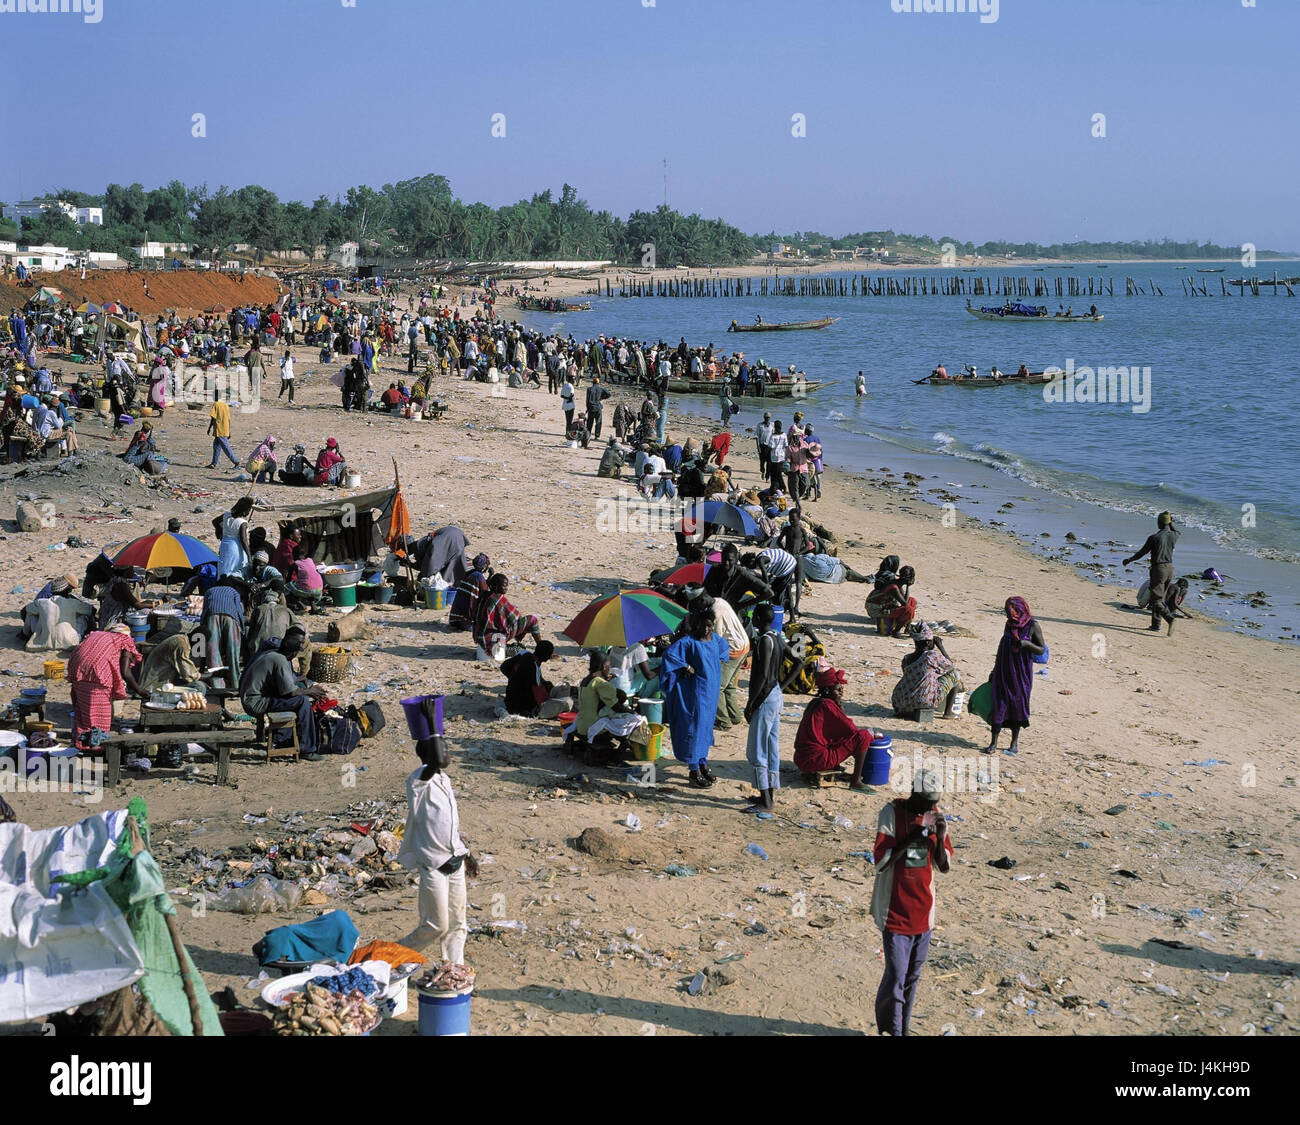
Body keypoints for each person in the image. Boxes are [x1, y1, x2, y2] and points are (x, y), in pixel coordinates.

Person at [871, 768, 952, 1037]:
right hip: (894, 910)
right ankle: (892, 1030)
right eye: (927, 802)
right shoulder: (891, 813)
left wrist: (938, 838)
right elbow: (881, 861)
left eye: (934, 803)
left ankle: (901, 1027)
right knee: (896, 975)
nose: (931, 807)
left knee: (911, 977)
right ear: (914, 794)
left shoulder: (934, 815)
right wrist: (912, 839)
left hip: (923, 912)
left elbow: (943, 865)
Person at [397, 735, 478, 961]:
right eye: (444, 751)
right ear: (431, 755)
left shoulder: (445, 779)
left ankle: (455, 969)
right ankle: (394, 955)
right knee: (436, 925)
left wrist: (467, 854)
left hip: (455, 860)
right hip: (433, 865)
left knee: (458, 924)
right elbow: (431, 764)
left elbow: (449, 827)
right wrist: (432, 724)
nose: (449, 755)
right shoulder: (418, 782)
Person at [659, 607, 729, 788]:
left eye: (709, 626)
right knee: (695, 729)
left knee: (706, 729)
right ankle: (693, 769)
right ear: (696, 624)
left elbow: (724, 650)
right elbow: (669, 655)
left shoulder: (715, 641)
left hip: (711, 693)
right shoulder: (689, 642)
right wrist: (686, 666)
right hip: (696, 693)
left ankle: (702, 762)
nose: (706, 629)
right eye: (703, 625)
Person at [239, 626, 326, 760]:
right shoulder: (279, 660)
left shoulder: (274, 654)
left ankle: (281, 738)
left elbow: (283, 682)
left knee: (298, 693)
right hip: (255, 702)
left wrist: (298, 681)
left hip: (253, 697)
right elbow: (289, 692)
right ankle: (307, 749)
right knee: (302, 702)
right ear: (293, 653)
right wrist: (310, 691)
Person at [794, 667, 877, 788]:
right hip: (815, 760)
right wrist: (872, 735)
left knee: (840, 738)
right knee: (864, 736)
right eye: (838, 690)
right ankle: (856, 781)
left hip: (801, 759)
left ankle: (833, 767)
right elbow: (853, 731)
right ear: (827, 690)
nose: (841, 693)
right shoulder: (828, 705)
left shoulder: (815, 702)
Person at [984, 596, 1045, 754]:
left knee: (1018, 706)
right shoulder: (1009, 624)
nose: (1007, 616)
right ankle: (993, 742)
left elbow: (1041, 649)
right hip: (1003, 670)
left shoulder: (1033, 625)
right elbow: (1001, 646)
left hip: (1021, 673)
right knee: (1000, 704)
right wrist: (994, 669)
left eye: (1009, 612)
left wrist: (1026, 644)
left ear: (1019, 610)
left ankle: (1014, 742)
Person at [744, 603, 788, 809]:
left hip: (765, 696)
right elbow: (797, 662)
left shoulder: (764, 641)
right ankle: (769, 795)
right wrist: (782, 685)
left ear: (760, 619)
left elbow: (761, 675)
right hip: (776, 694)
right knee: (771, 747)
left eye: (755, 616)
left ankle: (765, 800)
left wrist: (751, 702)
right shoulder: (778, 638)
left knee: (757, 749)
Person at [67, 624, 145, 740]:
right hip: (97, 674)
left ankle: (82, 737)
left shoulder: (97, 634)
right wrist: (140, 691)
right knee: (99, 713)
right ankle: (96, 742)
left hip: (77, 669)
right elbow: (125, 672)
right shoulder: (124, 640)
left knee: (84, 709)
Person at [571, 651, 649, 751]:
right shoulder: (601, 683)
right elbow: (616, 706)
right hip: (591, 727)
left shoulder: (586, 679)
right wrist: (633, 712)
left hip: (582, 724)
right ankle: (627, 746)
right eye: (609, 665)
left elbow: (595, 698)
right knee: (636, 719)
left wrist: (605, 681)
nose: (610, 668)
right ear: (604, 667)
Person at [1123, 511, 1180, 634]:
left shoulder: (1154, 538)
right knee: (1160, 597)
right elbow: (1176, 531)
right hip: (1170, 568)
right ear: (1169, 523)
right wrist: (1171, 522)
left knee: (1155, 600)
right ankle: (1155, 625)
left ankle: (1170, 619)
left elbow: (1141, 553)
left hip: (1158, 570)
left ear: (1159, 522)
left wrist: (1129, 559)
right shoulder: (1174, 535)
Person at [892, 624, 963, 719]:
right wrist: (941, 647)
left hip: (901, 700)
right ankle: (948, 712)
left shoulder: (907, 658)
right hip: (923, 700)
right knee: (955, 675)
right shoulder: (931, 656)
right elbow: (950, 666)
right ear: (927, 643)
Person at [472, 573, 541, 657]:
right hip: (494, 638)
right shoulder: (499, 600)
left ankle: (512, 642)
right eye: (504, 586)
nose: (506, 589)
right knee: (532, 620)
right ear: (496, 586)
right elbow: (515, 618)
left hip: (480, 636)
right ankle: (541, 647)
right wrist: (522, 631)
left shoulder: (484, 595)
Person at [711, 596, 750, 731]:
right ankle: (735, 716)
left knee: (717, 687)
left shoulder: (715, 613)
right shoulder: (720, 601)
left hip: (733, 649)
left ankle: (724, 722)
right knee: (729, 685)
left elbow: (717, 640)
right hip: (744, 644)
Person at [201, 577, 245, 691]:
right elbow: (239, 611)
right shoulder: (234, 592)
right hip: (231, 618)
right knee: (233, 652)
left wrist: (203, 626)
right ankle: (235, 684)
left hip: (212, 617)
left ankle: (218, 686)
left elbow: (205, 610)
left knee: (213, 653)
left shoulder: (209, 591)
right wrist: (242, 629)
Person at [502, 640, 562, 717]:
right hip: (518, 705)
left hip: (509, 698)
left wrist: (514, 678)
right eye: (549, 654)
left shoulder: (525, 654)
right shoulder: (534, 666)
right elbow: (537, 691)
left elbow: (504, 666)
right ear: (546, 656)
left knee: (545, 684)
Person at [137, 630, 202, 693]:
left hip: (166, 682)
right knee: (199, 686)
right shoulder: (180, 644)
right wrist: (207, 676)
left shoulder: (181, 639)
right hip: (154, 687)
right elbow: (188, 675)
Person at [865, 560, 916, 636]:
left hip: (883, 606)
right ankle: (896, 632)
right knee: (909, 609)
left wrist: (906, 586)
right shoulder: (893, 587)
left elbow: (906, 600)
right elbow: (904, 603)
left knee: (912, 601)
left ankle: (907, 627)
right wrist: (908, 586)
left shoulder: (898, 584)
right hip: (875, 609)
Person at [448, 553, 491, 631]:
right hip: (466, 621)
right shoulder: (478, 577)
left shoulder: (469, 573)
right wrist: (491, 576)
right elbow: (485, 593)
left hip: (455, 618)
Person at [215, 496, 254, 579]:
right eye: (248, 510)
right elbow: (243, 540)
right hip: (236, 548)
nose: (248, 512)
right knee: (235, 569)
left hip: (225, 545)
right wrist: (249, 556)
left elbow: (215, 521)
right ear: (244, 511)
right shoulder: (242, 522)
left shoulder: (226, 516)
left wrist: (220, 533)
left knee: (224, 567)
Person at [207, 397, 240, 469]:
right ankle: (214, 463)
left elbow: (213, 418)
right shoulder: (225, 405)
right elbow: (228, 419)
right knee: (216, 446)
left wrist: (209, 428)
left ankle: (236, 461)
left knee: (225, 447)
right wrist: (229, 431)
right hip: (225, 428)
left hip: (219, 428)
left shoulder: (216, 404)